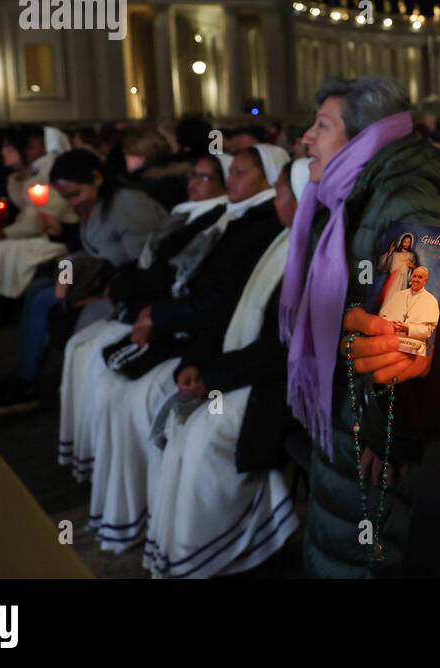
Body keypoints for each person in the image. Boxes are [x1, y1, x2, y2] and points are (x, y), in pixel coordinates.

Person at [282, 76, 440, 578]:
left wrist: (389, 428)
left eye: (323, 125)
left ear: (365, 137)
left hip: (375, 450)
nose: (307, 137)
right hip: (352, 429)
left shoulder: (404, 199)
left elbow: (426, 330)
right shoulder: (363, 191)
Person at [84, 144, 287, 553]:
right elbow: (195, 287)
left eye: (240, 173)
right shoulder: (236, 220)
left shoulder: (270, 232)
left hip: (252, 372)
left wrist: (204, 366)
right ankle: (143, 513)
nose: (231, 180)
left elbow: (265, 334)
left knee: (183, 426)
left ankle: (210, 545)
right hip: (212, 348)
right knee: (112, 384)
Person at [143, 158, 312, 578]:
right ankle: (183, 550)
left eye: (282, 191)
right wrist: (197, 362)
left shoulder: (310, 254)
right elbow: (230, 312)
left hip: (278, 385)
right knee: (179, 425)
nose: (276, 198)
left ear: (303, 198)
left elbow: (282, 349)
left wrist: (214, 376)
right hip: (240, 369)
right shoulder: (280, 241)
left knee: (204, 438)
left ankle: (228, 550)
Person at [0, 149, 168, 416]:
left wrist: (89, 293)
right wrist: (64, 273)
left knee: (44, 299)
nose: (73, 203)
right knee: (38, 289)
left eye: (75, 194)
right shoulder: (95, 204)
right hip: (101, 278)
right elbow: (85, 251)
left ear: (97, 178)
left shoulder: (128, 205)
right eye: (67, 198)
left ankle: (26, 382)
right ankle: (23, 374)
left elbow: (145, 263)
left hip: (130, 288)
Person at [0, 126, 76, 300]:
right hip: (37, 229)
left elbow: (41, 215)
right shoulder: (29, 174)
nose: (4, 151)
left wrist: (5, 232)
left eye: (31, 148)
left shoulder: (47, 171)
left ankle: (3, 305)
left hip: (52, 235)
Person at [378, 265, 440, 351]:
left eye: (420, 277)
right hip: (391, 342)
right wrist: (390, 324)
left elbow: (428, 331)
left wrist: (408, 328)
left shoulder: (431, 300)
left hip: (414, 348)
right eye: (414, 276)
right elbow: (382, 318)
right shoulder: (398, 295)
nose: (416, 279)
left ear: (425, 281)